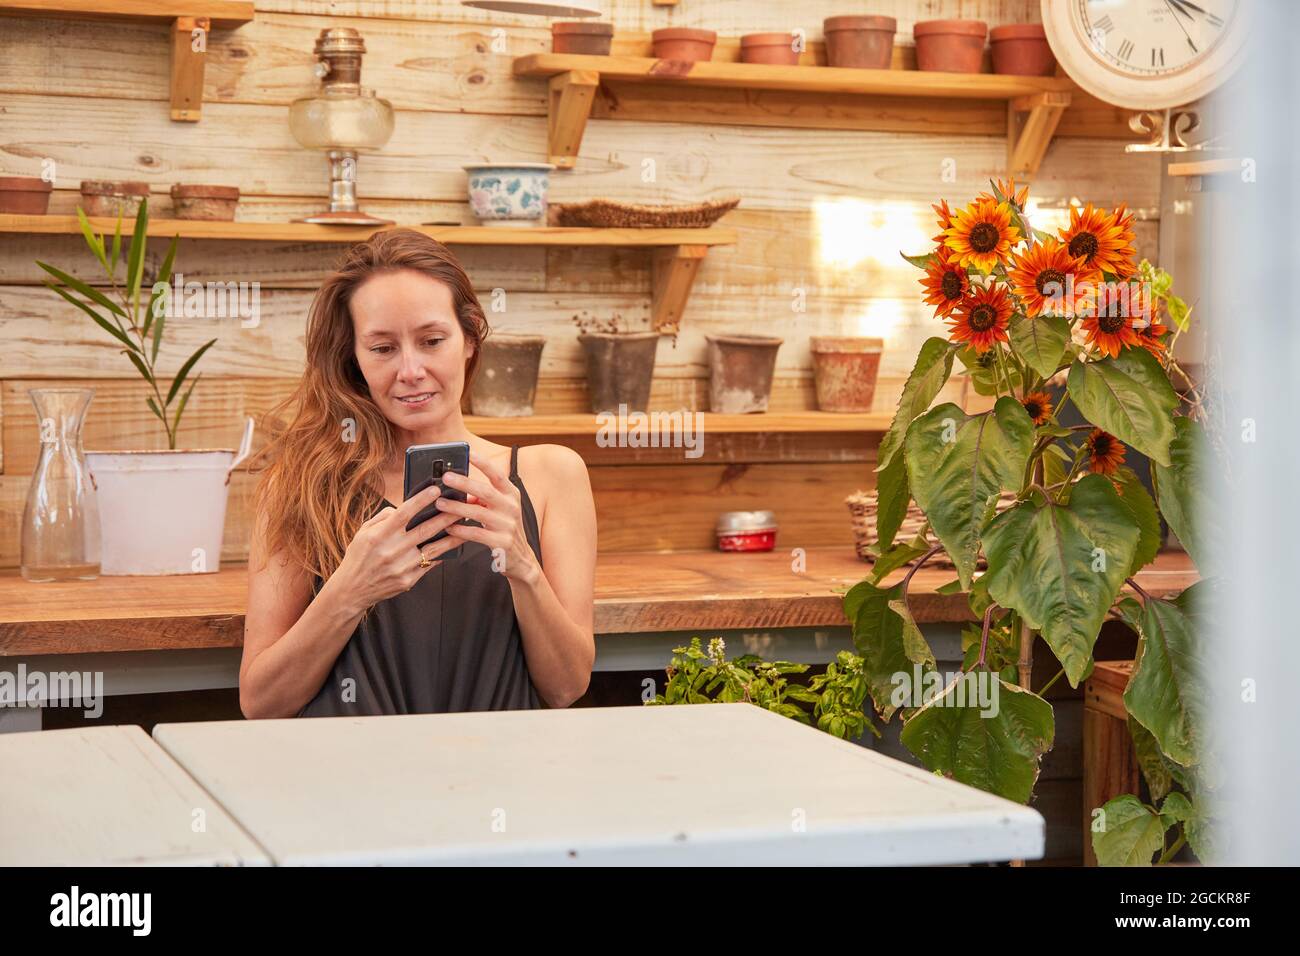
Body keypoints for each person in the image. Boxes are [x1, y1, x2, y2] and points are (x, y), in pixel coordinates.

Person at [239, 229, 596, 718]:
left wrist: (523, 566)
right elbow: (262, 702)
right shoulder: (300, 484)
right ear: (354, 358)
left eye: (431, 341)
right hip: (352, 783)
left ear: (470, 338)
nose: (410, 370)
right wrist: (349, 591)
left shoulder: (552, 475)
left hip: (500, 779)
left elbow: (566, 687)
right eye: (383, 348)